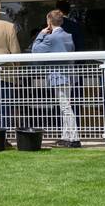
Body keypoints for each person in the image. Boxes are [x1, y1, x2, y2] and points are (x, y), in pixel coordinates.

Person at [31, 9, 79, 147]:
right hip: (68, 75)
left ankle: (74, 139)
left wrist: (41, 34)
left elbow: (35, 50)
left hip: (59, 76)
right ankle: (66, 137)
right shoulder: (67, 36)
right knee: (65, 106)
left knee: (65, 107)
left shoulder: (51, 38)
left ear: (49, 22)